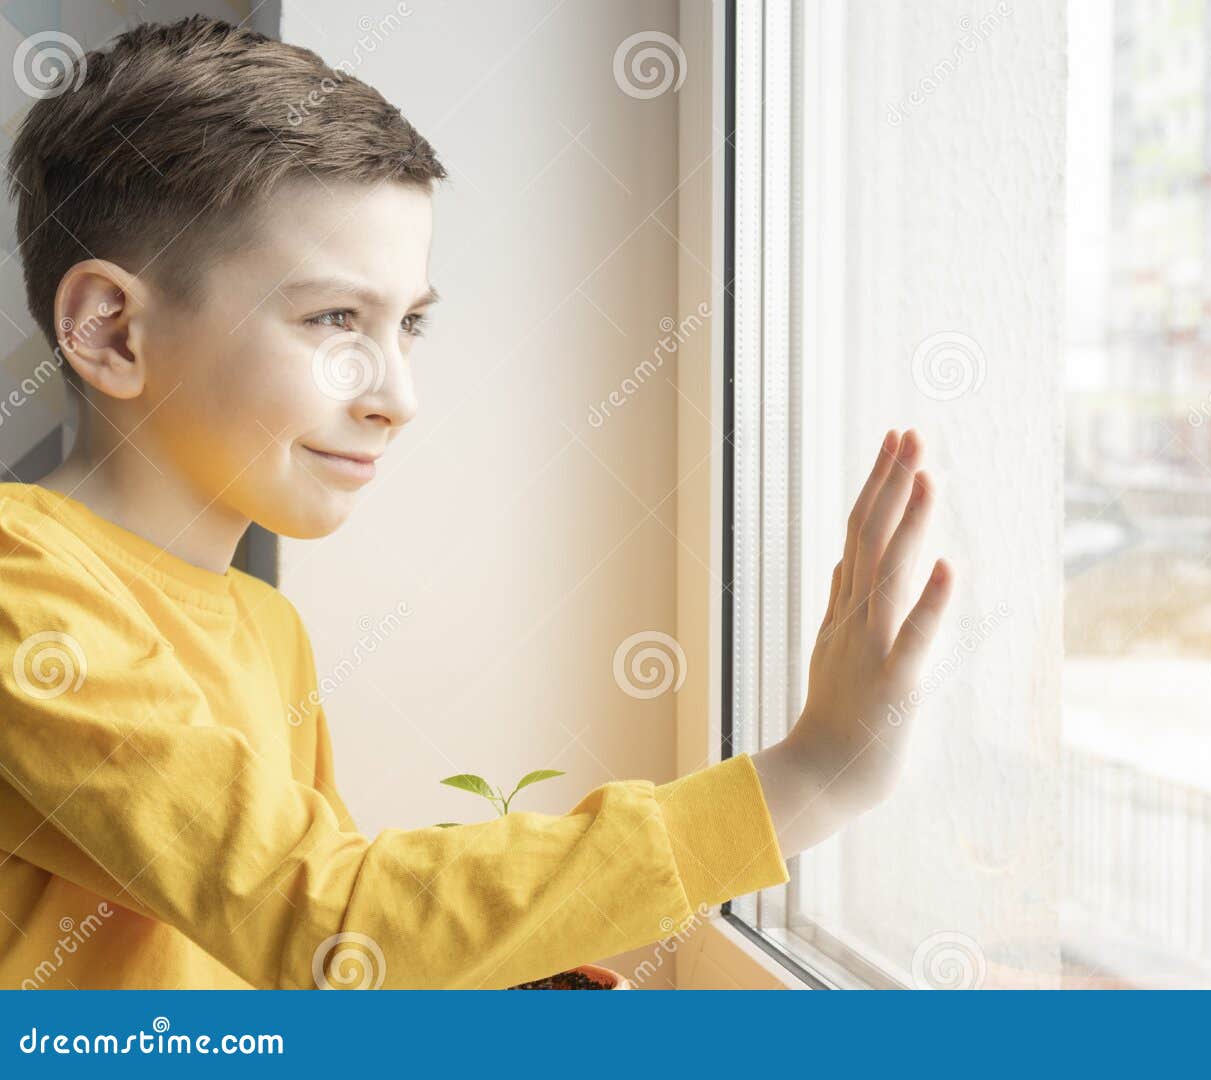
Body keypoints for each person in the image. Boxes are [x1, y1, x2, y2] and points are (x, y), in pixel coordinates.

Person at [0, 15, 952, 989]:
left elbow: (297, 969)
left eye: (407, 323)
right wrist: (804, 780)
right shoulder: (18, 589)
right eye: (334, 319)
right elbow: (323, 916)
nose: (397, 397)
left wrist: (493, 985)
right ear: (112, 332)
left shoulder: (266, 627)